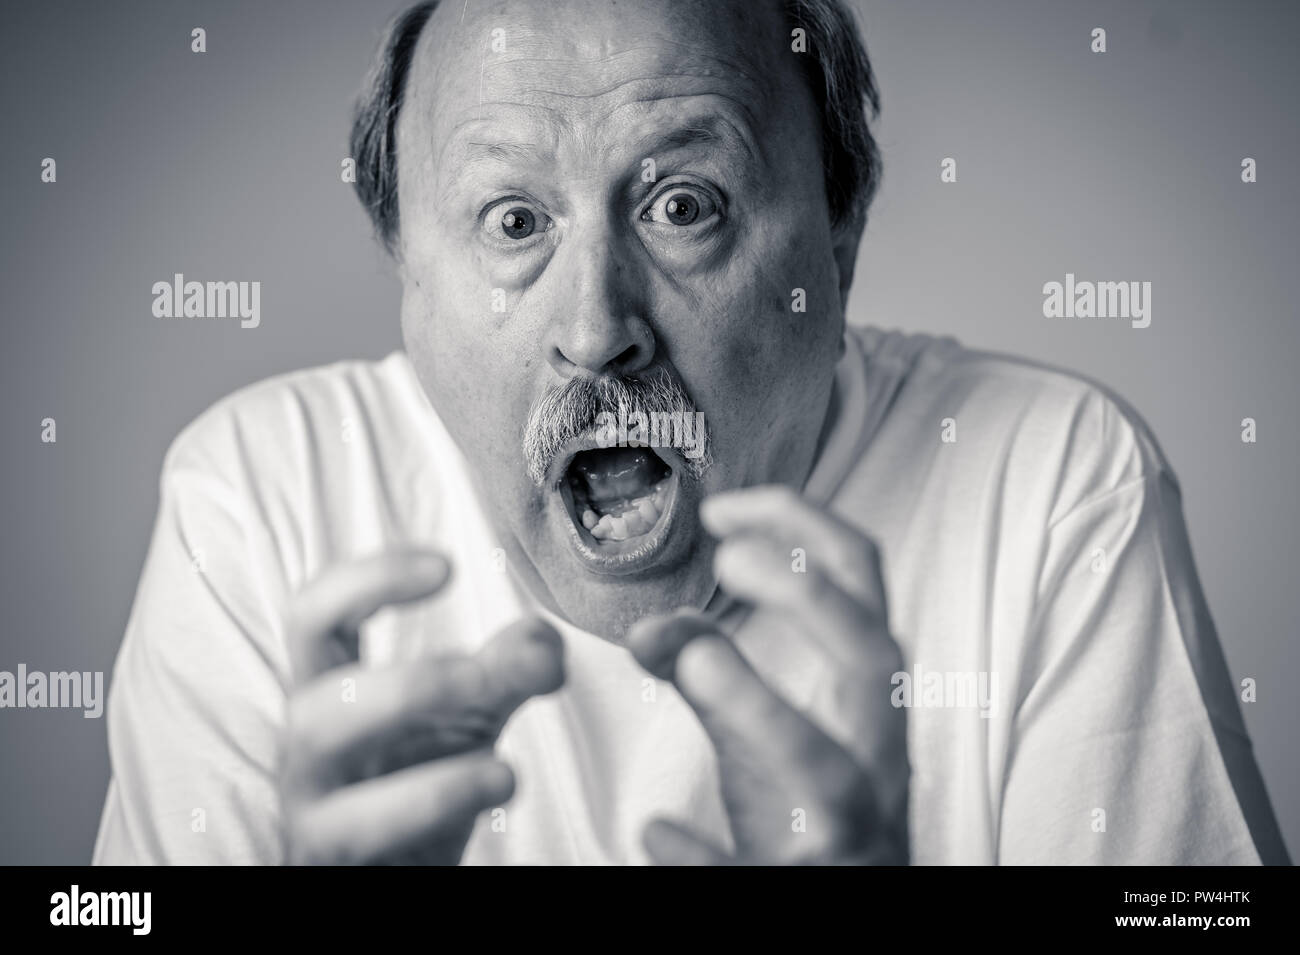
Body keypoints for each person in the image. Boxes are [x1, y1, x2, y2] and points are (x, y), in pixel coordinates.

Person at [93, 0, 1289, 865]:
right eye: (513, 220)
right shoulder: (259, 501)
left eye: (683, 206)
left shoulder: (1054, 481)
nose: (595, 327)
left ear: (839, 235)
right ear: (405, 267)